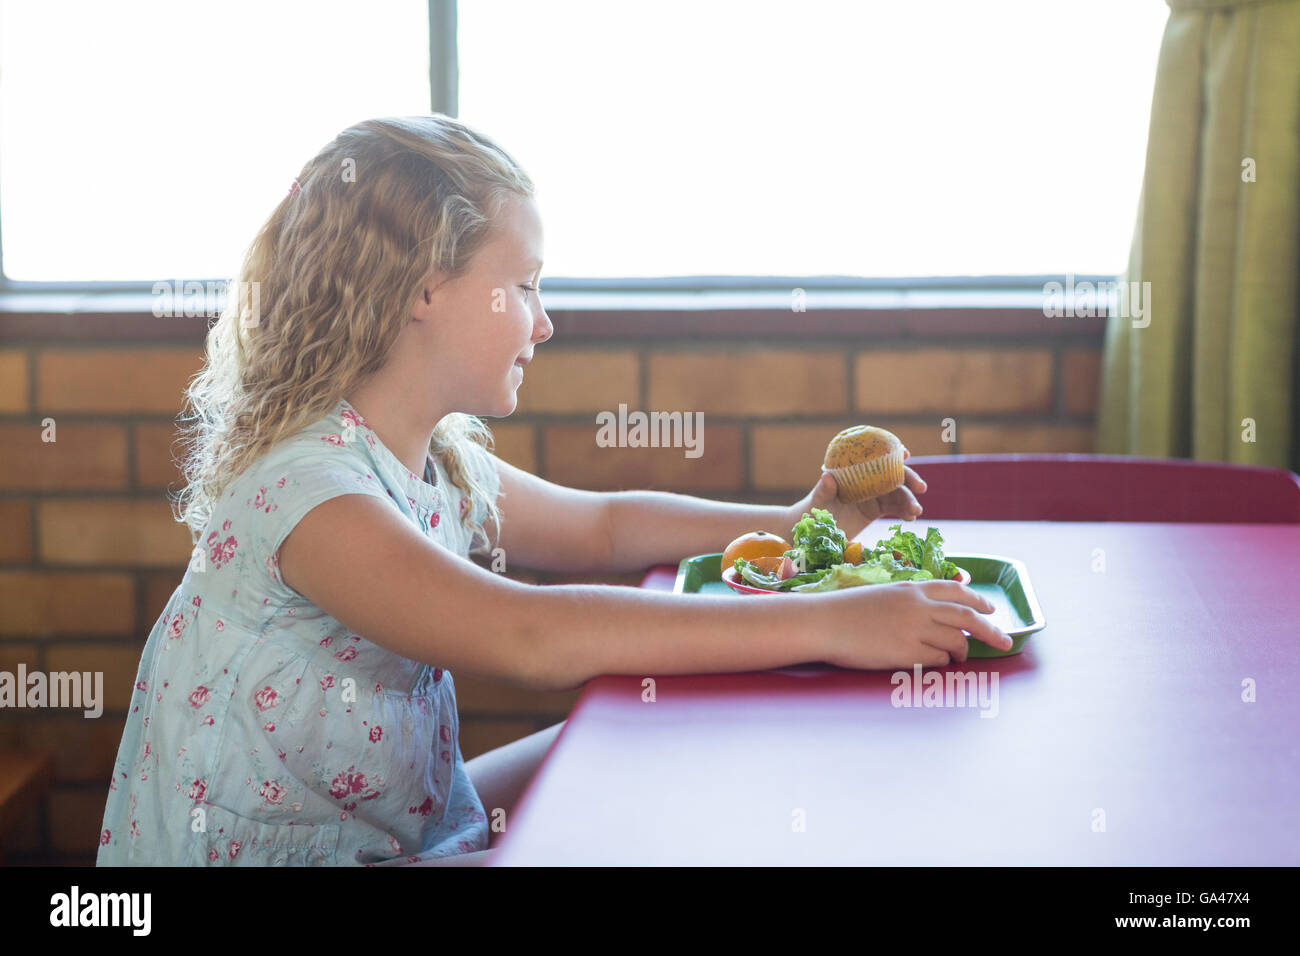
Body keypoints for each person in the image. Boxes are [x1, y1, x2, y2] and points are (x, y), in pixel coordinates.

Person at [96, 114, 1009, 867]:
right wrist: (829, 624)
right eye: (524, 286)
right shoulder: (311, 494)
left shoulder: (436, 454)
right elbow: (526, 633)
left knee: (635, 749)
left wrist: (797, 523)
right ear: (422, 291)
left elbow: (609, 528)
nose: (546, 319)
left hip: (395, 824)